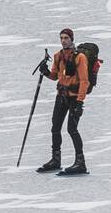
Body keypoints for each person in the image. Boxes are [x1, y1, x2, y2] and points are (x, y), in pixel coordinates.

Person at [36, 27, 89, 176]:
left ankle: (80, 162)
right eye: (61, 38)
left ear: (71, 39)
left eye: (66, 38)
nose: (63, 41)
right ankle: (55, 159)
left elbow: (85, 82)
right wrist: (45, 72)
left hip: (74, 98)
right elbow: (55, 76)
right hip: (61, 96)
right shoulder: (58, 56)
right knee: (55, 127)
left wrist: (79, 102)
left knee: (72, 129)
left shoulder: (80, 57)